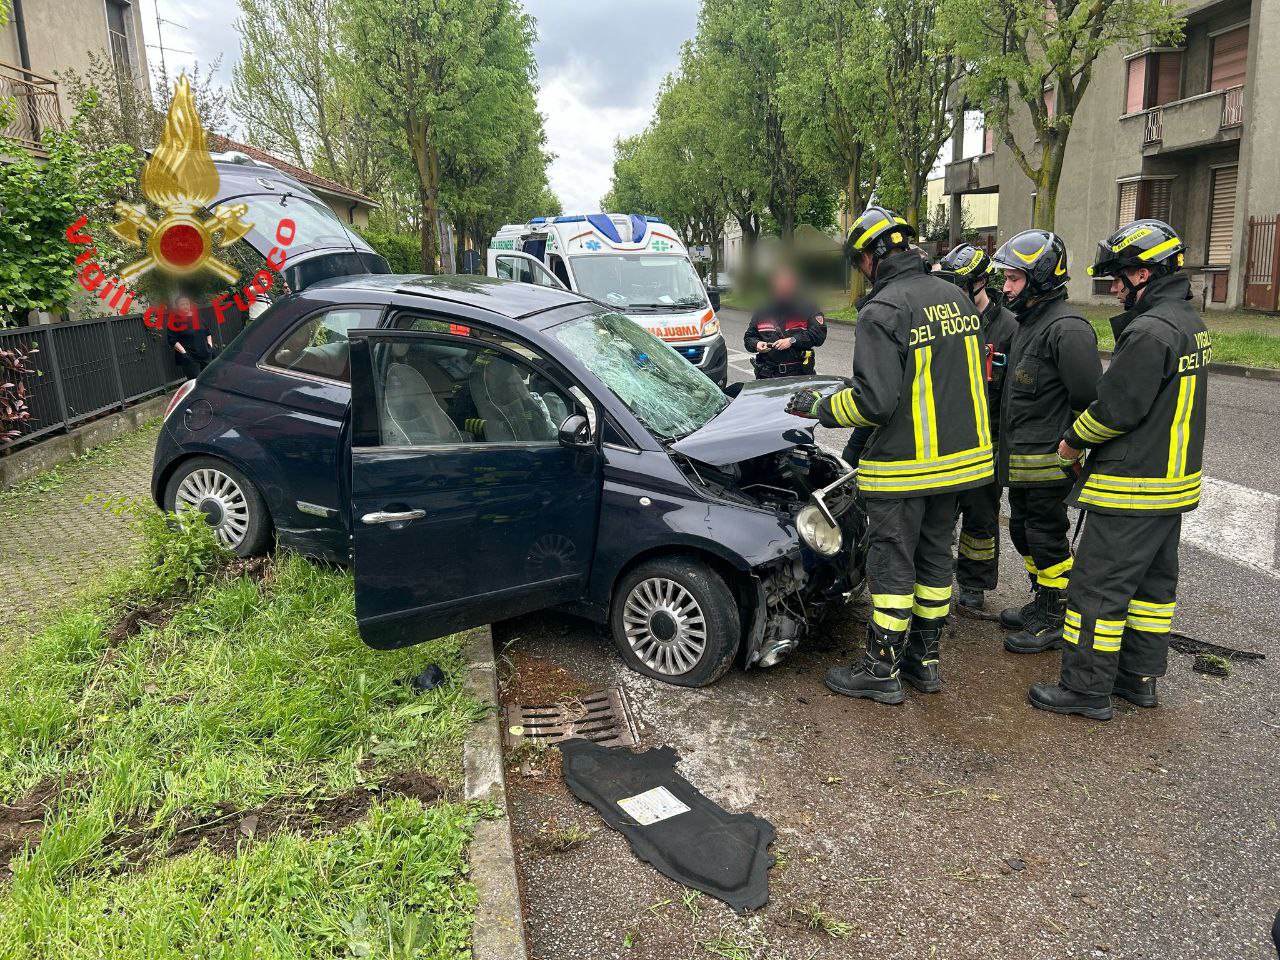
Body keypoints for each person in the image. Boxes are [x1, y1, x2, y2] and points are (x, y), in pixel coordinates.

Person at [786, 206, 994, 704]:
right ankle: (925, 662)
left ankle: (881, 668)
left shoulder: (883, 311)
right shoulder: (956, 300)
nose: (859, 272)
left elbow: (874, 403)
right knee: (934, 562)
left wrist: (821, 405)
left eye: (859, 262)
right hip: (961, 464)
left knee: (893, 567)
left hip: (906, 466)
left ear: (872, 255)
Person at [1029, 220, 1207, 720]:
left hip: (1132, 486)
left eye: (1120, 277)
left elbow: (1115, 408)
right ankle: (1139, 678)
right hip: (1170, 487)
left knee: (1096, 591)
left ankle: (1085, 688)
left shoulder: (1150, 331)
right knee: (1152, 591)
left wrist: (1072, 440)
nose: (1114, 287)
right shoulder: (1189, 322)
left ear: (1144, 273)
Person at [990, 230, 1102, 655]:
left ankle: (1057, 616)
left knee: (1047, 538)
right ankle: (1044, 599)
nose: (1006, 287)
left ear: (1038, 278)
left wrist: (1071, 449)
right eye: (1006, 278)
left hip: (1049, 468)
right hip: (1021, 466)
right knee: (1023, 533)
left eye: (1015, 279)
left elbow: (1090, 399)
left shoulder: (1068, 329)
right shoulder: (1028, 325)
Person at [936, 244, 1017, 612]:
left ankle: (973, 583)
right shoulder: (946, 321)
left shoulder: (1008, 328)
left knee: (981, 517)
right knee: (939, 511)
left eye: (960, 285)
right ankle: (936, 573)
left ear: (981, 282)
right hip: (950, 436)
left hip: (990, 440)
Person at [744, 265, 827, 378]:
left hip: (799, 375)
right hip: (767, 376)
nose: (783, 285)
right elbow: (749, 337)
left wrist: (792, 340)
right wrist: (757, 344)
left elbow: (819, 335)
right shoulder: (762, 309)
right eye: (779, 281)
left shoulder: (808, 307)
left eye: (787, 281)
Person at [166, 295, 215, 380]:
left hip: (205, 355)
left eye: (187, 304)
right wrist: (184, 353)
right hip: (190, 358)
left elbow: (208, 332)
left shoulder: (197, 317)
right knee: (195, 382)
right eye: (182, 304)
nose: (186, 306)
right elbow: (172, 340)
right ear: (177, 306)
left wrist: (209, 346)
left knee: (209, 379)